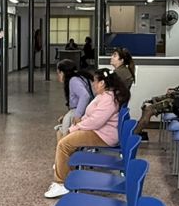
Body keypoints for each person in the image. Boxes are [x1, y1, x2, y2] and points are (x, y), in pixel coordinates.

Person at [46, 69, 128, 198]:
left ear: (102, 83)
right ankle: (65, 172)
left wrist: (76, 128)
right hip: (98, 131)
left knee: (64, 144)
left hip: (103, 135)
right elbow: (90, 116)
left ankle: (61, 183)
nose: (93, 84)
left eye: (95, 81)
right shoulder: (104, 96)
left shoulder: (108, 99)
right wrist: (78, 125)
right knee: (64, 138)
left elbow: (96, 122)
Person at [54, 59, 92, 132]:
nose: (58, 76)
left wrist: (77, 115)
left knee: (62, 132)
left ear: (62, 72)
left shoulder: (73, 81)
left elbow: (85, 96)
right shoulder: (79, 77)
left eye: (58, 73)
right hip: (82, 110)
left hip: (79, 111)